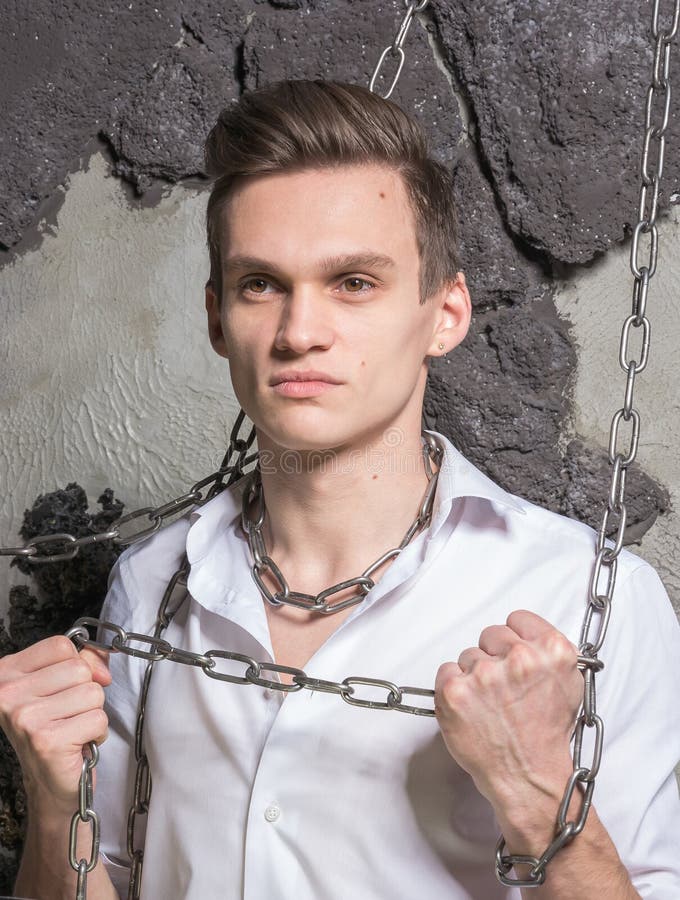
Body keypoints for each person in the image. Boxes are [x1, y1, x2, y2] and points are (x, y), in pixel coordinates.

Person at [1, 79, 679, 900]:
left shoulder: (586, 598)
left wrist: (539, 792)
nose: (299, 332)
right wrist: (52, 805)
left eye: (354, 282)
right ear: (217, 320)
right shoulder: (150, 583)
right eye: (261, 285)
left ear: (446, 313)